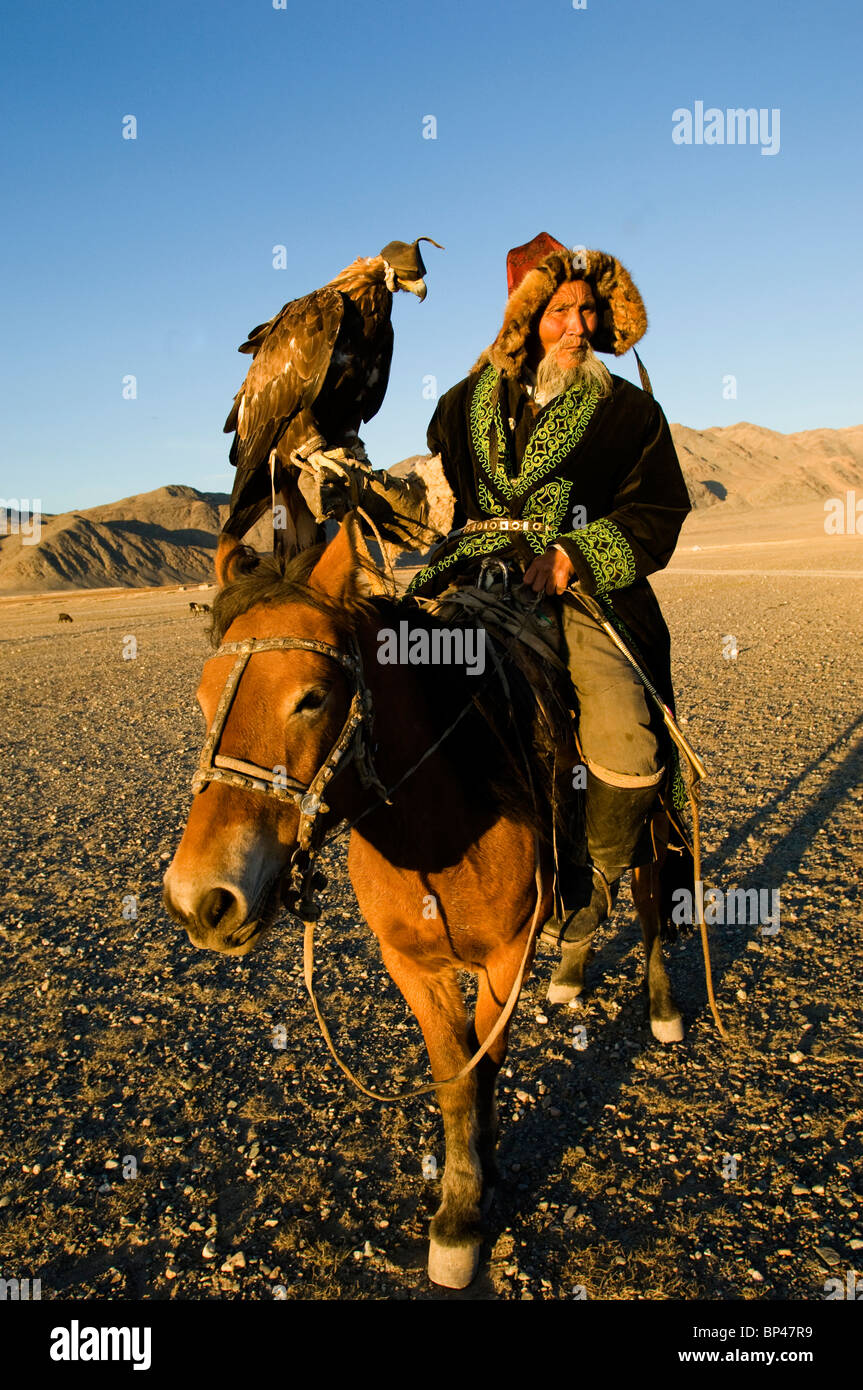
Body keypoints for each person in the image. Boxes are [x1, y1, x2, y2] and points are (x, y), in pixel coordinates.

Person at [402, 232, 692, 995]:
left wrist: (575, 555)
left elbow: (659, 509)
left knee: (624, 735)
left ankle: (595, 882)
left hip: (585, 591)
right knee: (391, 677)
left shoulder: (629, 414)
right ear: (523, 319)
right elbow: (437, 501)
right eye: (559, 310)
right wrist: (367, 491)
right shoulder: (457, 408)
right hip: (475, 576)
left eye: (588, 310)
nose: (577, 326)